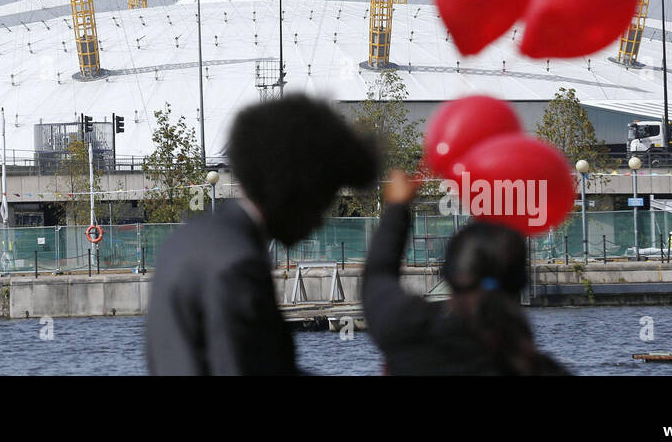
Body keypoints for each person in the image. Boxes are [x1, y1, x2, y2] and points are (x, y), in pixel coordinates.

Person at [145, 94, 379, 375]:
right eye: (321, 203)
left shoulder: (188, 240)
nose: (319, 222)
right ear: (294, 189)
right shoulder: (237, 265)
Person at [363, 169, 567, 375]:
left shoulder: (407, 333)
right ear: (520, 283)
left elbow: (377, 276)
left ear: (449, 275)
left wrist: (397, 208)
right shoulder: (538, 368)